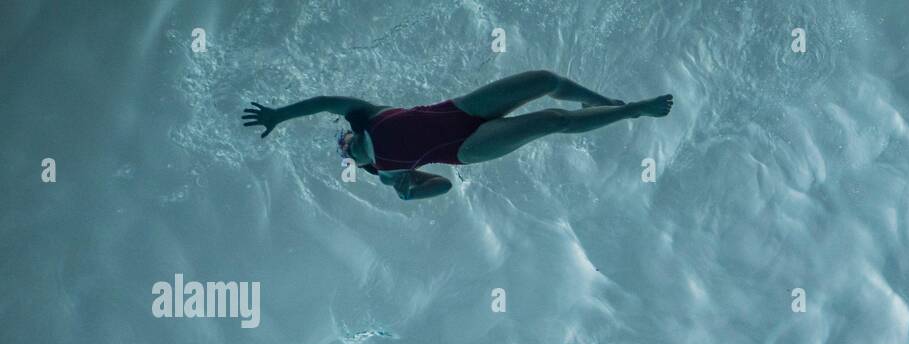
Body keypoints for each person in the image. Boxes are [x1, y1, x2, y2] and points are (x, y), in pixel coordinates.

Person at [242, 69, 673, 200]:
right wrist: (410, 190)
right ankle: (635, 111)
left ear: (346, 135)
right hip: (465, 149)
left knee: (543, 78)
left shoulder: (365, 115)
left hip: (459, 109)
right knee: (551, 121)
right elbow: (444, 185)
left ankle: (600, 101)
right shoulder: (387, 174)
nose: (345, 149)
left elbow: (320, 101)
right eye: (345, 156)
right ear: (358, 164)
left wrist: (279, 115)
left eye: (341, 143)